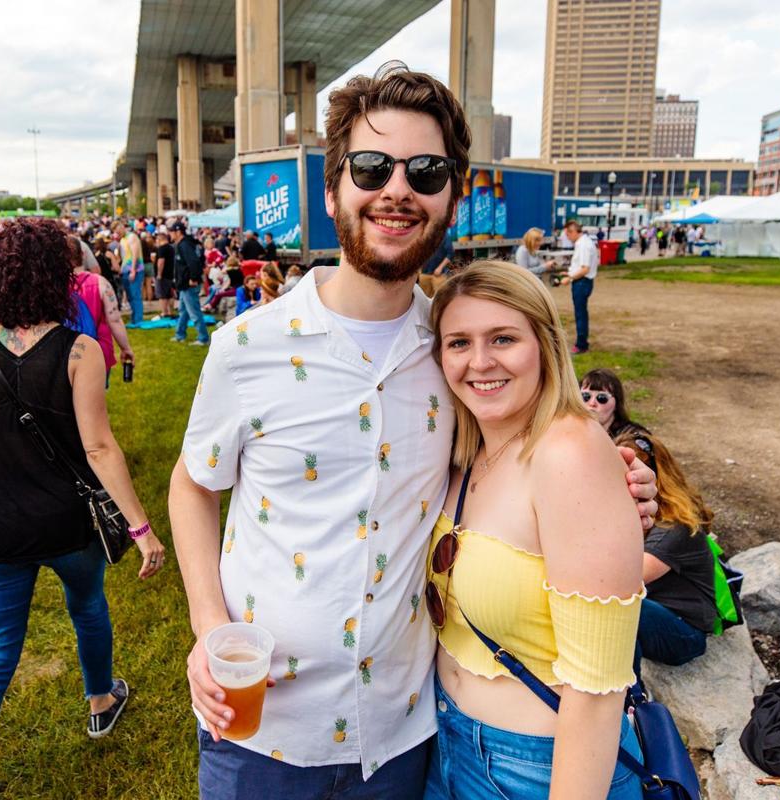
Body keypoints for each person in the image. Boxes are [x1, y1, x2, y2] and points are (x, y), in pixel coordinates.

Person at [170, 65, 657, 800]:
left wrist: (621, 487)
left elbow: (529, 462)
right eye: (371, 167)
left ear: (450, 200)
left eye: (425, 172)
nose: (397, 189)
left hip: (404, 733)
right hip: (262, 730)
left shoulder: (457, 350)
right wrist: (209, 624)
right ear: (334, 189)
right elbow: (191, 483)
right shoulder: (245, 347)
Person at [0, 218, 166, 800]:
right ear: (55, 277)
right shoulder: (80, 350)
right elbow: (98, 447)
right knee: (87, 604)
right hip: (66, 520)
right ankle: (99, 698)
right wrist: (141, 529)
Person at [425, 261, 646, 799]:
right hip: (444, 742)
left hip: (535, 768)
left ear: (546, 345)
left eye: (503, 338)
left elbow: (596, 689)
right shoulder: (468, 446)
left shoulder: (568, 452)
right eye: (458, 343)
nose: (480, 362)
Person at [612, 428, 715, 676]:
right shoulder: (638, 514)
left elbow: (624, 581)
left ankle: (630, 700)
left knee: (621, 608)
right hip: (655, 610)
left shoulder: (675, 527)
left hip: (685, 630)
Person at [70, 234, 135, 384]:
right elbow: (115, 320)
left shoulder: (54, 287)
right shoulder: (100, 283)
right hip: (98, 352)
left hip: (66, 354)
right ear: (83, 254)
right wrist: (126, 348)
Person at [579, 368, 655, 467]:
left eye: (602, 398)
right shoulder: (571, 431)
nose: (592, 403)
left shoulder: (633, 439)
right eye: (585, 396)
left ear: (616, 403)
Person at [562, 219, 600, 354]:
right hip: (583, 281)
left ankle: (581, 344)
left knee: (580, 314)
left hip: (582, 282)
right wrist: (570, 272)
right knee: (581, 313)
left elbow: (585, 269)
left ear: (573, 231)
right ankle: (582, 342)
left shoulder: (583, 245)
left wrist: (570, 277)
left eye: (567, 234)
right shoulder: (585, 242)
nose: (567, 237)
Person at [171, 222, 208, 346]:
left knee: (194, 312)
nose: (170, 234)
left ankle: (203, 338)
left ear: (178, 232)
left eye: (172, 231)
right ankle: (180, 334)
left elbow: (193, 262)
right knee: (183, 310)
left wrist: (193, 278)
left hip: (189, 283)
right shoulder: (185, 243)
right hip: (184, 284)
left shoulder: (185, 245)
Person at [116, 222, 144, 325]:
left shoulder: (131, 237)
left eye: (118, 232)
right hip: (125, 271)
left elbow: (135, 254)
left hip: (134, 270)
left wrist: (133, 270)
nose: (117, 234)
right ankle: (135, 318)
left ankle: (138, 319)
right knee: (130, 296)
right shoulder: (123, 239)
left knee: (135, 295)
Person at [155, 231, 176, 319]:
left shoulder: (162, 249)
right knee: (169, 294)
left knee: (162, 295)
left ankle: (164, 312)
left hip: (163, 275)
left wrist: (159, 274)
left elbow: (161, 262)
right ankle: (170, 311)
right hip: (170, 273)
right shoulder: (171, 248)